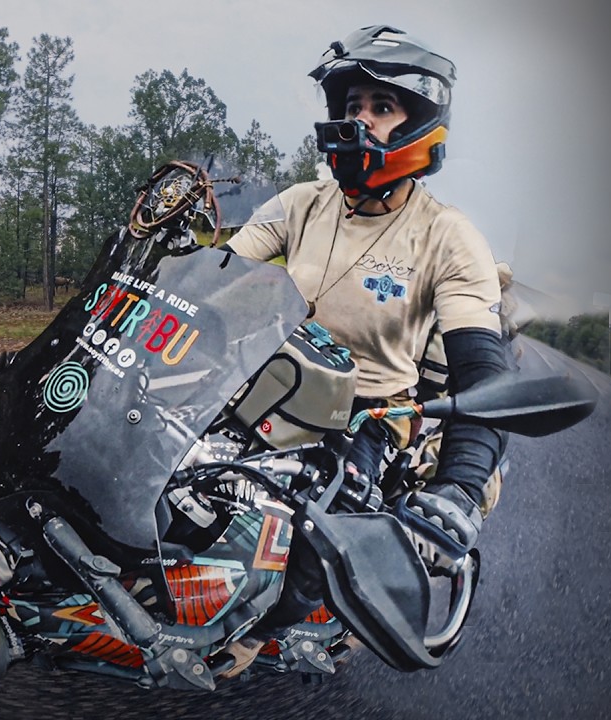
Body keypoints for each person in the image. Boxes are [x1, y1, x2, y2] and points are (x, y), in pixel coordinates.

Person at [217, 25, 511, 676]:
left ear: (419, 122)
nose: (361, 119)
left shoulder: (449, 237)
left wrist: (461, 488)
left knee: (322, 536)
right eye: (352, 106)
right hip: (259, 378)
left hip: (364, 416)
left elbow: (484, 368)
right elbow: (219, 272)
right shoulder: (299, 204)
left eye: (382, 107)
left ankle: (247, 636)